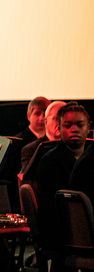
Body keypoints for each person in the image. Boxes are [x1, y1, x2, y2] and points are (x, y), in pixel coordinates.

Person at [36, 102, 92, 250]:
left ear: (89, 128)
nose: (74, 129)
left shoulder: (91, 158)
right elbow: (50, 210)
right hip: (64, 232)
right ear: (59, 128)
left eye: (80, 125)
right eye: (68, 125)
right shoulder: (49, 161)